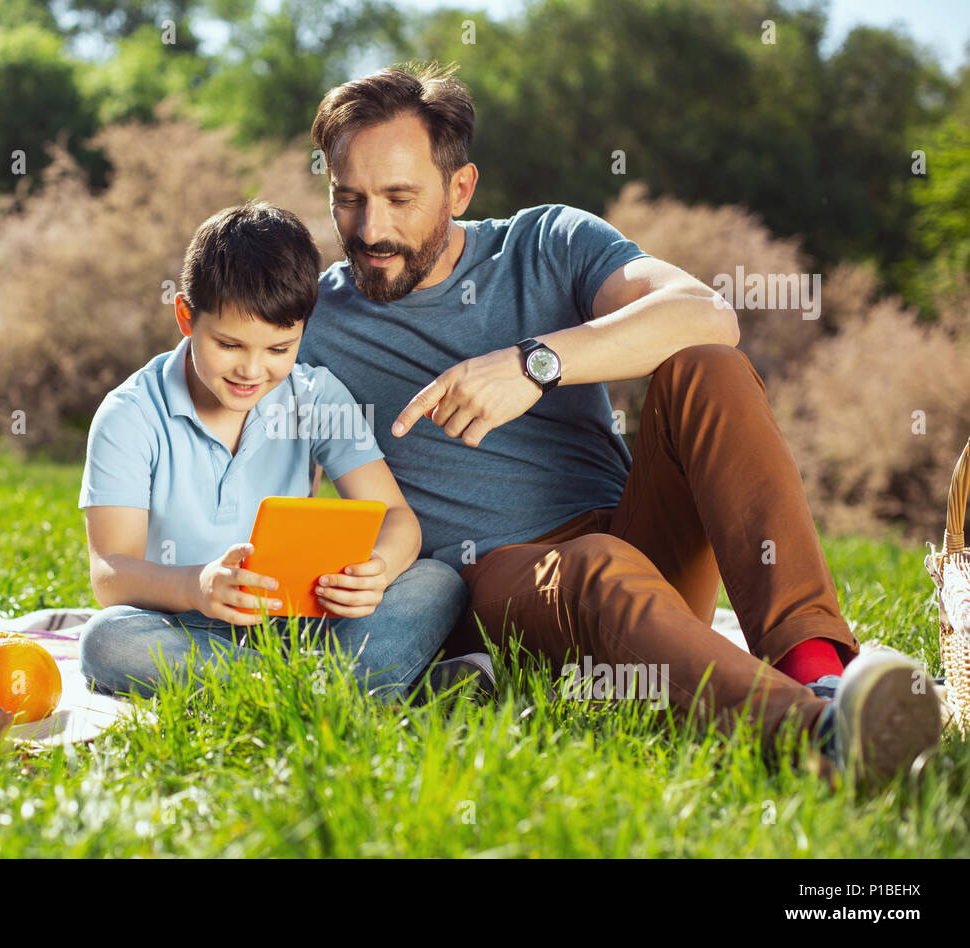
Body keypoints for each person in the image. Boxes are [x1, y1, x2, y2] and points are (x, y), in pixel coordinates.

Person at [295, 60, 942, 781]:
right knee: (599, 568)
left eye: (399, 198)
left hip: (639, 547)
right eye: (347, 199)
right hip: (499, 587)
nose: (371, 230)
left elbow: (706, 313)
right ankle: (819, 738)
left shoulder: (546, 243)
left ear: (460, 187)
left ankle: (816, 671)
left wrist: (533, 363)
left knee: (709, 365)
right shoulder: (313, 322)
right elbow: (220, 421)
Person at [76, 201, 468, 702]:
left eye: (279, 349)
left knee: (437, 580)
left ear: (303, 330)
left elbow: (397, 518)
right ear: (185, 317)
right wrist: (197, 587)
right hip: (187, 628)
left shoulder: (317, 397)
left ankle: (297, 689)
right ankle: (337, 691)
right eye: (229, 345)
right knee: (107, 641)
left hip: (304, 624)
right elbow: (111, 574)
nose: (252, 371)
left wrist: (380, 570)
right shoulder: (129, 415)